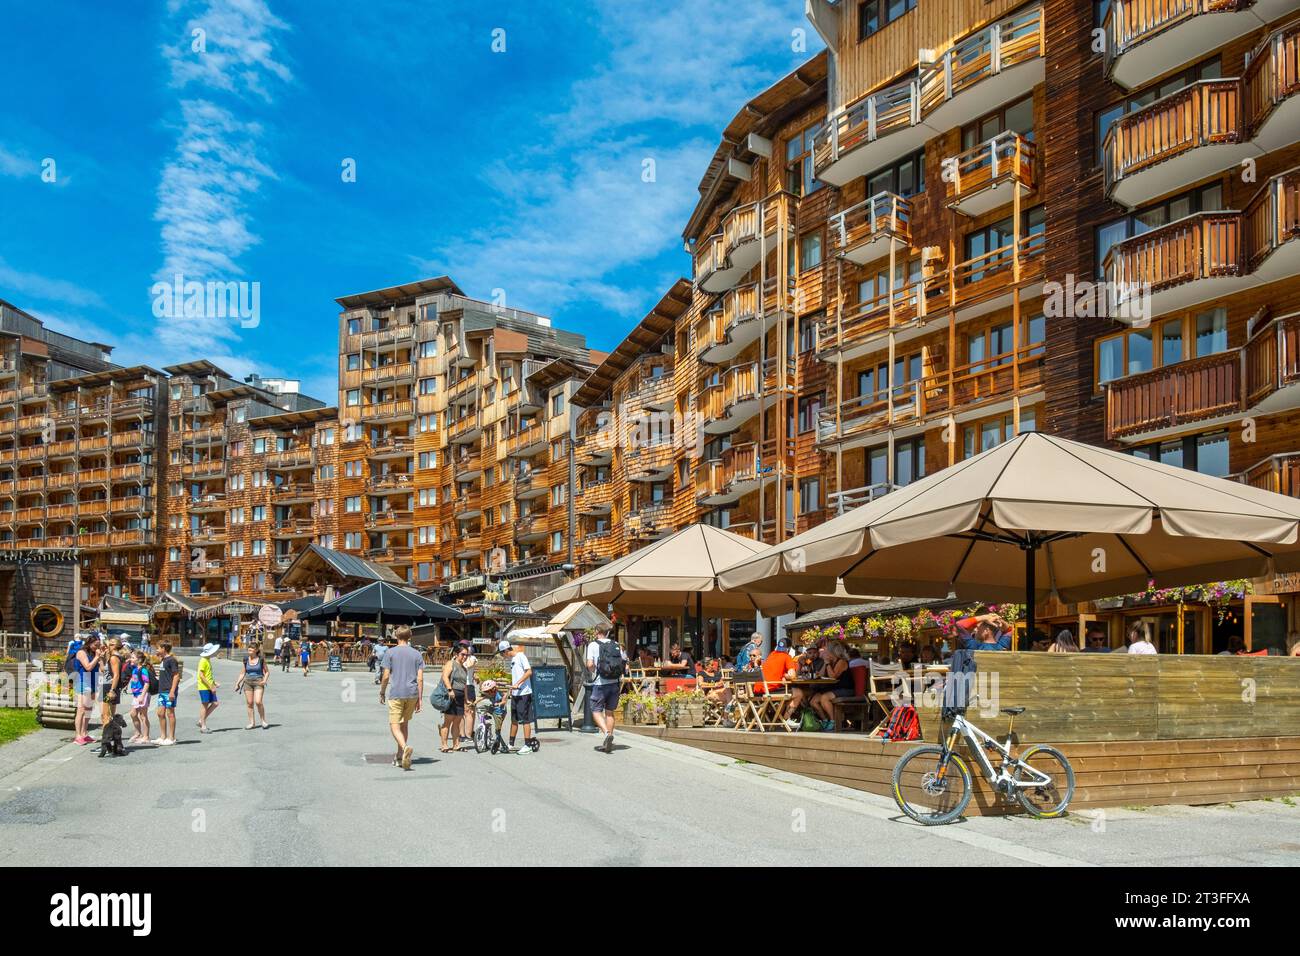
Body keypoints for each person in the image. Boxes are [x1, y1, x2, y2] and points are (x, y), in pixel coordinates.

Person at [379, 625, 424, 770]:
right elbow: (420, 679)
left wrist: (382, 692)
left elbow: (385, 676)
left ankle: (404, 748)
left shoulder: (390, 652)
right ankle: (399, 756)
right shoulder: (417, 654)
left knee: (394, 725)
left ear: (396, 637)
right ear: (409, 637)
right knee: (404, 724)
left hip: (397, 693)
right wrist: (420, 699)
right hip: (412, 693)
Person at [585, 627, 627, 754]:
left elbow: (590, 664)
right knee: (610, 712)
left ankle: (607, 734)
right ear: (608, 633)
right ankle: (608, 741)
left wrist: (593, 672)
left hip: (600, 683)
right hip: (614, 682)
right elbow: (624, 662)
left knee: (596, 710)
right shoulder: (616, 645)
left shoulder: (593, 645)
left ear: (597, 632)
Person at [500, 640, 538, 754]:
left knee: (525, 720)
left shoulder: (521, 656)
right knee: (514, 720)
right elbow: (515, 677)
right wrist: (509, 692)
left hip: (524, 694)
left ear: (506, 651)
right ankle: (511, 744)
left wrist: (518, 683)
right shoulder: (512, 660)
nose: (502, 656)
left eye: (502, 653)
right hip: (515, 694)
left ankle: (527, 745)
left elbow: (529, 672)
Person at [809, 640, 854, 732]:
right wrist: (826, 664)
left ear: (833, 651)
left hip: (845, 689)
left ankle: (834, 722)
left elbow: (833, 677)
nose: (825, 652)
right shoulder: (830, 661)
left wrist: (828, 664)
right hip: (834, 688)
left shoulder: (841, 661)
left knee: (824, 698)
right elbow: (820, 675)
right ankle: (825, 720)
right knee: (813, 701)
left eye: (827, 650)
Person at [439, 644, 470, 753]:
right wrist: (449, 690)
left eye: (467, 655)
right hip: (451, 695)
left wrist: (466, 699)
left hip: (460, 695)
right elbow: (445, 676)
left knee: (457, 721)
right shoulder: (451, 663)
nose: (465, 657)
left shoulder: (464, 668)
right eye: (463, 654)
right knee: (448, 721)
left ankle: (456, 745)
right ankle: (444, 745)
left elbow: (464, 685)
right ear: (457, 654)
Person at [72, 634, 101, 745]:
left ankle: (84, 733)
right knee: (82, 709)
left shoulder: (94, 653)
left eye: (98, 645)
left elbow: (101, 668)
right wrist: (97, 657)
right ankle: (78, 735)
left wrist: (101, 657)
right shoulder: (81, 653)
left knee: (89, 709)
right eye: (95, 645)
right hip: (83, 681)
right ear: (89, 643)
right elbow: (88, 667)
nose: (96, 647)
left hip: (93, 682)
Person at [237, 641, 270, 729]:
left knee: (258, 702)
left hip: (259, 681)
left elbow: (267, 672)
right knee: (249, 703)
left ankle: (263, 721)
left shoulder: (261, 659)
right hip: (247, 682)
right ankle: (252, 723)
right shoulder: (245, 659)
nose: (249, 652)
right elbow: (242, 673)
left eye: (251, 650)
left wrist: (265, 680)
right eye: (249, 650)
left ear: (256, 650)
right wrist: (237, 683)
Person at [155, 642, 181, 746]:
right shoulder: (163, 659)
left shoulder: (172, 660)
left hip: (169, 691)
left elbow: (176, 676)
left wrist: (172, 691)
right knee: (160, 713)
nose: (156, 650)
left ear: (164, 648)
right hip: (162, 690)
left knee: (170, 713)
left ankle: (171, 737)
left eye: (158, 648)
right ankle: (163, 736)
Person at [197, 642, 221, 733]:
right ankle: (203, 726)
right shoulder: (203, 660)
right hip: (204, 687)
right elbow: (201, 675)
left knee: (215, 703)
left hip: (208, 686)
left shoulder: (207, 660)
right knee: (205, 705)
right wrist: (211, 686)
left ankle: (201, 720)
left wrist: (214, 683)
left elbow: (208, 675)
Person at [460, 647, 478, 746]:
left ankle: (466, 734)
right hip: (466, 685)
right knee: (467, 711)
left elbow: (471, 667)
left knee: (467, 711)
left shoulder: (471, 659)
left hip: (466, 685)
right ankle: (465, 735)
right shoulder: (469, 659)